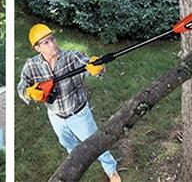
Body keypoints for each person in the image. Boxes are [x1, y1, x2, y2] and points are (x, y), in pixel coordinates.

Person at [17, 23, 122, 182]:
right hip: (56, 117)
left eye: (52, 39)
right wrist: (28, 93)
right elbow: (21, 87)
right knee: (69, 146)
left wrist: (97, 67)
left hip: (79, 114)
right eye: (46, 42)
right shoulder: (31, 66)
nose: (52, 44)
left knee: (96, 145)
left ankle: (111, 170)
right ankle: (76, 165)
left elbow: (87, 64)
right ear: (37, 48)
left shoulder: (71, 57)